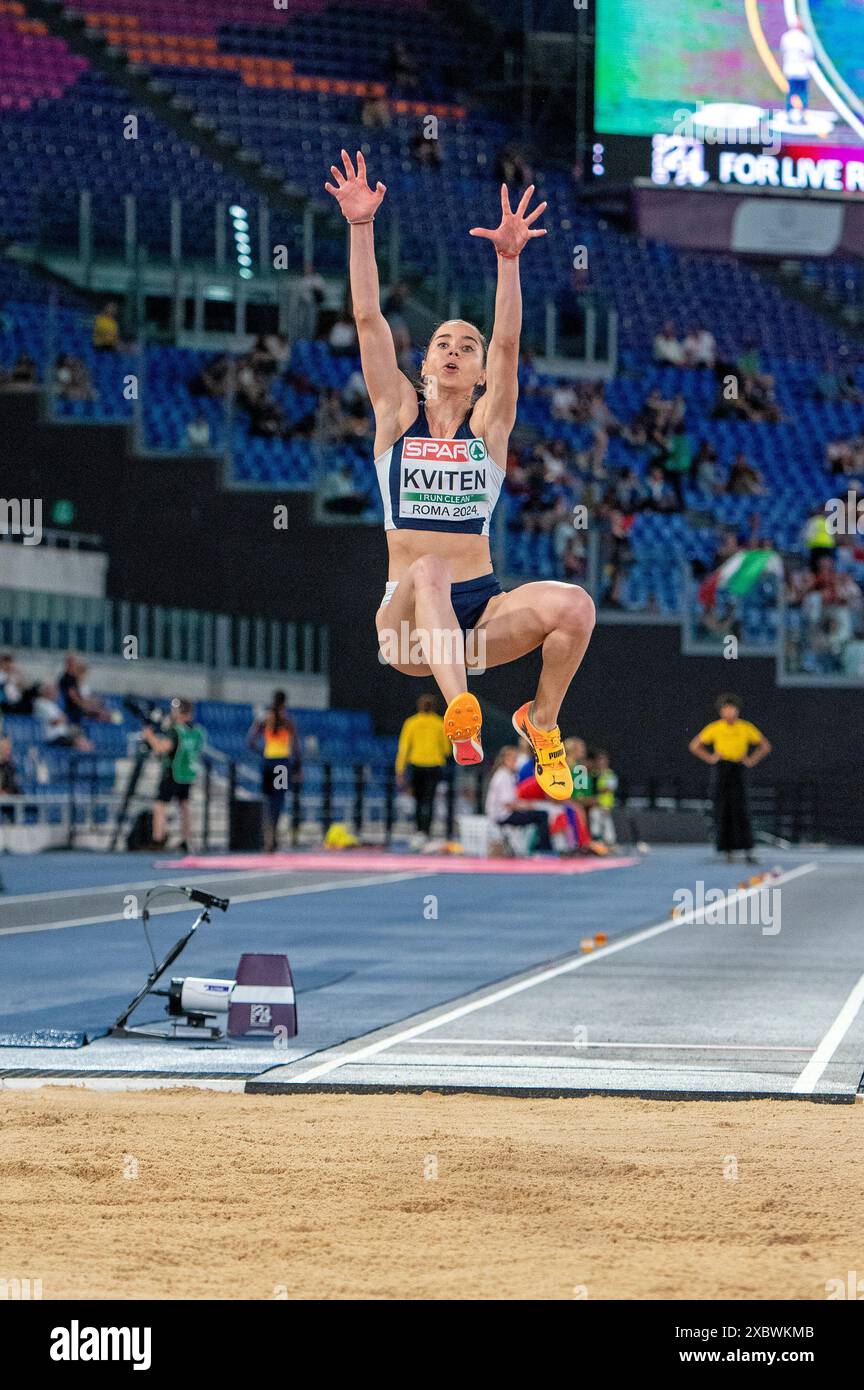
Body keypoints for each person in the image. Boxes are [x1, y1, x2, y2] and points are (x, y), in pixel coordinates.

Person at [324, 150, 594, 799]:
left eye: (464, 346)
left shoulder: (489, 430)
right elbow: (367, 320)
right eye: (442, 342)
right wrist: (361, 228)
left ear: (478, 376)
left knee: (575, 606)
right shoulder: (395, 416)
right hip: (407, 624)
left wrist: (508, 264)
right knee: (429, 571)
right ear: (424, 364)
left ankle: (543, 722)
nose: (453, 350)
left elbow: (507, 344)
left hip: (483, 616)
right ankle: (459, 711)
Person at [688, 694, 771, 863]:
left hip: (738, 769)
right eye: (725, 709)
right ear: (720, 712)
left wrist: (751, 760)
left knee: (741, 810)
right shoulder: (715, 728)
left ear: (737, 711)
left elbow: (765, 746)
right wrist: (711, 758)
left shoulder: (745, 727)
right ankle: (727, 850)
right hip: (722, 769)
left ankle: (748, 849)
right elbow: (695, 745)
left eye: (732, 708)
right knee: (723, 809)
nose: (729, 712)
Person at [141, 698, 204, 851]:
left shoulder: (176, 730)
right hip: (187, 773)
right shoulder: (197, 731)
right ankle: (186, 839)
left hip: (173, 772)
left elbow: (162, 748)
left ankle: (158, 839)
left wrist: (149, 737)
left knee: (160, 805)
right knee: (184, 805)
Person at [247, 691, 301, 852]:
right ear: (285, 702)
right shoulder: (288, 721)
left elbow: (250, 741)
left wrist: (262, 751)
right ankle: (273, 835)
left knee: (267, 799)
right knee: (278, 800)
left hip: (267, 762)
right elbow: (296, 747)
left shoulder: (264, 720)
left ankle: (266, 835)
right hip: (281, 764)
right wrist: (298, 766)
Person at [395, 694, 451, 845]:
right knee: (429, 800)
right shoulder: (440, 723)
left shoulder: (411, 722)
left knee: (418, 800)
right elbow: (446, 749)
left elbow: (404, 748)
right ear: (434, 707)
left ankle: (419, 830)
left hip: (417, 765)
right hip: (434, 765)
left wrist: (399, 770)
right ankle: (426, 831)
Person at [485, 746, 551, 853]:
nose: (516, 762)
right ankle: (544, 850)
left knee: (539, 813)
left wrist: (527, 805)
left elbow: (513, 800)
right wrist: (528, 806)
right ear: (506, 760)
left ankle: (540, 847)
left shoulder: (509, 775)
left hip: (505, 813)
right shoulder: (503, 776)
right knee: (542, 815)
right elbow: (509, 805)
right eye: (514, 759)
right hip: (502, 816)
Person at [33, 683, 94, 751]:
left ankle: (87, 752)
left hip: (64, 734)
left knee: (82, 737)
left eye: (55, 690)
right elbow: (54, 721)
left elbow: (64, 719)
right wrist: (61, 719)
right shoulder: (40, 703)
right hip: (52, 737)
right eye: (52, 690)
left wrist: (62, 719)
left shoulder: (54, 704)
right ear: (44, 692)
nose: (56, 693)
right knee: (79, 744)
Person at [779, 18, 814, 124]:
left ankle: (789, 114)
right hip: (802, 70)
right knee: (802, 93)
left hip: (790, 70)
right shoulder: (804, 39)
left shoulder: (786, 37)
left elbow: (782, 50)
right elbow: (810, 55)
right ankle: (803, 115)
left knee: (791, 92)